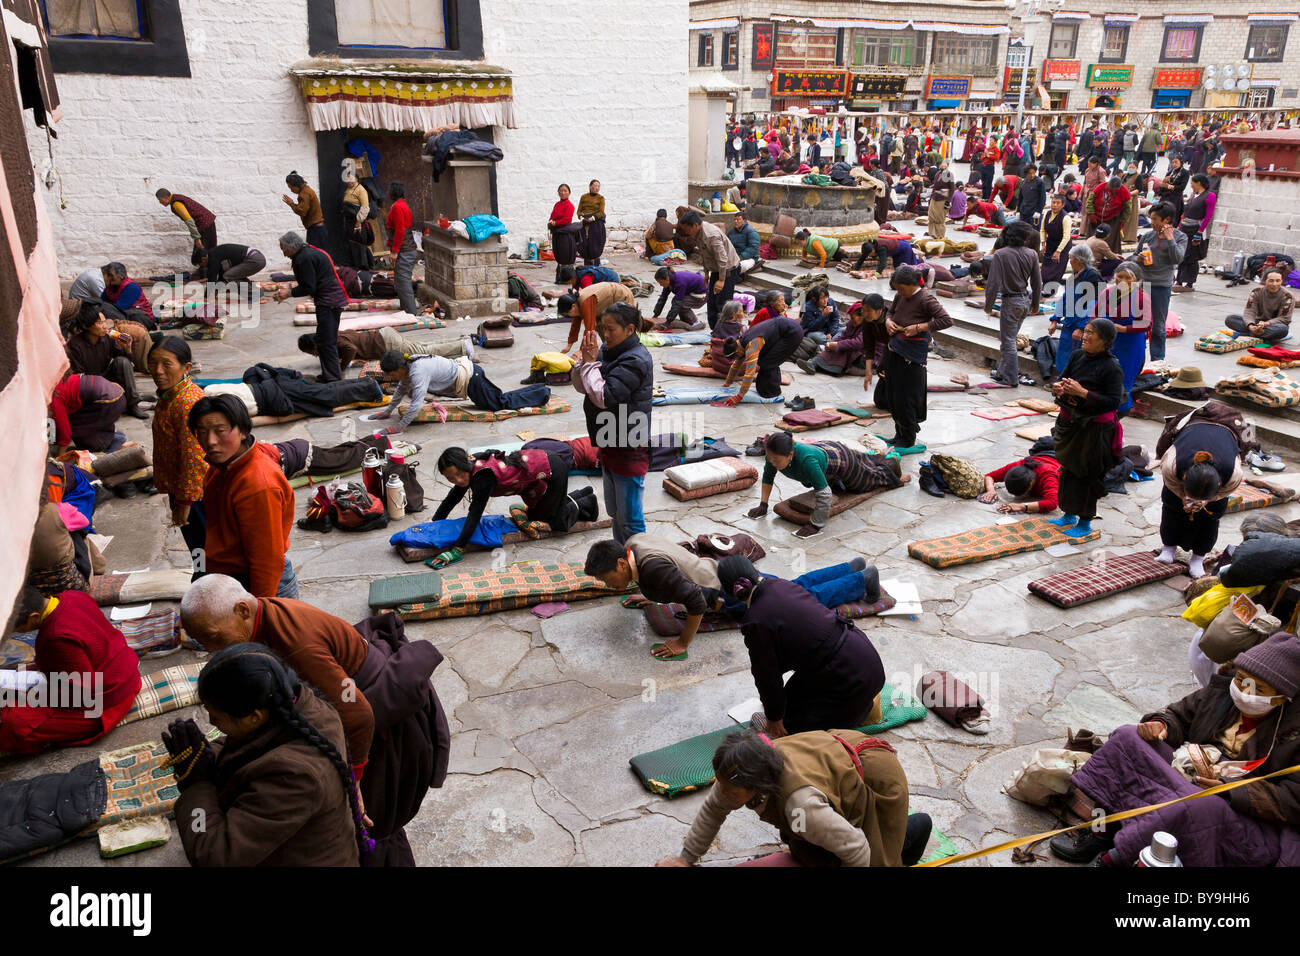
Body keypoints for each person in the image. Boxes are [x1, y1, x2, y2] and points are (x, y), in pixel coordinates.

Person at [179, 574, 448, 866]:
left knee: (370, 822)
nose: (211, 650)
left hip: (372, 717)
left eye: (214, 638)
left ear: (243, 610)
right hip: (350, 703)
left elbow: (356, 711)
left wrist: (353, 781)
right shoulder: (262, 618)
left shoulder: (299, 648)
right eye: (203, 642)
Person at [1051, 633, 1300, 867]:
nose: (1244, 691)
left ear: (1282, 697)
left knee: (1197, 805)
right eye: (1241, 680)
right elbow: (1179, 715)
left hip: (1238, 810)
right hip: (1191, 775)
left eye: (1258, 689)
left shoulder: (1294, 730)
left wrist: (1231, 790)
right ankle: (1100, 831)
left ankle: (1115, 859)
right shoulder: (1221, 693)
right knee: (1127, 738)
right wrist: (1161, 724)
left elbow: (1293, 799)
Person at [167, 644, 367, 867]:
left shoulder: (296, 777)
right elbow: (252, 744)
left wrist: (196, 786)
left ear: (254, 717)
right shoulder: (297, 703)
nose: (212, 723)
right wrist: (205, 753)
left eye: (216, 717)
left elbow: (214, 855)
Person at [658, 727, 930, 868]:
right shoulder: (737, 769)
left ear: (758, 785)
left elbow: (857, 847)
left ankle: (913, 831)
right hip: (833, 765)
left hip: (873, 771)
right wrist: (686, 858)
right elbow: (713, 810)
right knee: (813, 849)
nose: (724, 794)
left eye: (732, 791)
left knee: (877, 858)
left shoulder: (801, 806)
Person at [717, 554, 886, 737]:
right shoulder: (781, 584)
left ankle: (858, 710)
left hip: (850, 678)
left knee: (789, 729)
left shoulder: (755, 621)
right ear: (755, 571)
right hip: (863, 655)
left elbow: (767, 677)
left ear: (728, 592)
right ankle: (859, 707)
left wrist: (774, 720)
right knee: (788, 701)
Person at [0, 586, 142, 755]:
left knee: (13, 722)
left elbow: (80, 694)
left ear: (34, 616)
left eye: (15, 628)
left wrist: (35, 695)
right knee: (19, 679)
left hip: (108, 703)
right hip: (127, 674)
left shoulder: (55, 636)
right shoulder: (73, 596)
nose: (14, 632)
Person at [187, 394, 297, 598]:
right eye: (201, 432)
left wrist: (261, 610)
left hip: (258, 585)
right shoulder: (220, 466)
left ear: (243, 431)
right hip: (231, 579)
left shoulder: (258, 485)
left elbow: (266, 560)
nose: (210, 441)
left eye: (220, 431)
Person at [424, 446, 595, 569]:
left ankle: (587, 503)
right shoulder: (469, 470)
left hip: (552, 469)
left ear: (466, 464)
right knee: (536, 516)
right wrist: (433, 522)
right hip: (536, 472)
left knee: (556, 522)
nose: (459, 481)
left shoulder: (482, 476)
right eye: (452, 479)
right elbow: (453, 497)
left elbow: (474, 514)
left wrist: (457, 549)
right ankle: (581, 493)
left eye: (460, 475)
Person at [571, 302, 652, 544]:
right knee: (615, 513)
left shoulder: (636, 359)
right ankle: (622, 559)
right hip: (609, 440)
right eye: (602, 329)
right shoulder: (608, 350)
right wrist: (583, 363)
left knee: (631, 518)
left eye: (611, 329)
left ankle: (641, 564)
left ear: (629, 330)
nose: (605, 335)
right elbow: (582, 385)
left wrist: (590, 364)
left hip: (629, 444)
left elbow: (605, 397)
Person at [746, 431, 902, 539]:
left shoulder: (807, 461)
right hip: (825, 451)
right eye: (770, 458)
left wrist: (815, 524)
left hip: (841, 460)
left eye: (776, 460)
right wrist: (763, 504)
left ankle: (891, 463)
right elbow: (767, 478)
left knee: (867, 482)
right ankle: (877, 457)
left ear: (791, 454)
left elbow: (825, 494)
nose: (772, 462)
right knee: (852, 474)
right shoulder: (773, 455)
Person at [1049, 319, 1125, 540]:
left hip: (1094, 431)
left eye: (1091, 333)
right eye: (1086, 331)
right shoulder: (1077, 356)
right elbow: (1062, 378)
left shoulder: (1112, 367)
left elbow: (1113, 402)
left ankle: (1085, 521)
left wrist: (1083, 393)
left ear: (1104, 341)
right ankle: (1068, 513)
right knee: (1069, 469)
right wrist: (1059, 387)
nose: (1085, 336)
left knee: (1088, 474)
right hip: (1071, 423)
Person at [872, 266, 952, 453]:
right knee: (893, 395)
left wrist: (919, 327)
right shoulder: (901, 296)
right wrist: (888, 322)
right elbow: (890, 312)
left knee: (905, 397)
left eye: (901, 288)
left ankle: (908, 438)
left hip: (911, 355)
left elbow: (946, 320)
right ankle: (899, 434)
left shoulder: (926, 298)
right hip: (895, 348)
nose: (899, 292)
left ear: (912, 284)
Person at [1155, 414, 1243, 578]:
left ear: (1218, 485)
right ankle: (1168, 549)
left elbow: (1226, 492)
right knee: (1171, 510)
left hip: (1222, 438)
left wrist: (1208, 501)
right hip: (1193, 436)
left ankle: (1197, 559)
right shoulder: (1172, 465)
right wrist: (1182, 496)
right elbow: (1171, 484)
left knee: (1209, 520)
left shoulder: (1232, 473)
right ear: (1185, 478)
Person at [374, 350, 548, 431]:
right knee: (499, 399)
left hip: (472, 378)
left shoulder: (418, 370)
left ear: (398, 369)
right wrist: (388, 411)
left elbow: (417, 402)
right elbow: (400, 390)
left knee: (500, 404)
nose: (394, 377)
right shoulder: (408, 366)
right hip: (471, 376)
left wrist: (400, 426)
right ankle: (539, 389)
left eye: (392, 374)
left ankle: (541, 393)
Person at [149, 337, 208, 559]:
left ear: (187, 368)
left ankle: (207, 580)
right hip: (183, 489)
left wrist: (185, 502)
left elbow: (194, 458)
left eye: (166, 364)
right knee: (197, 545)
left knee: (202, 545)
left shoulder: (186, 403)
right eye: (153, 363)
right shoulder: (169, 396)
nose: (158, 371)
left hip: (195, 493)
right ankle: (203, 578)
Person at [272, 232, 349, 383]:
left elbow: (309, 287)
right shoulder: (308, 251)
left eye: (285, 250)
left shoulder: (303, 259)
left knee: (327, 341)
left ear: (293, 247)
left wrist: (289, 293)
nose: (284, 254)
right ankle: (330, 375)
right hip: (332, 299)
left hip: (329, 301)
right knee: (324, 340)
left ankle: (333, 378)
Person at [983, 221, 1042, 387]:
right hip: (1024, 300)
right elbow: (1038, 284)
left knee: (1008, 341)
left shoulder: (1001, 254)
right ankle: (1002, 372)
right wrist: (1035, 303)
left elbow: (993, 284)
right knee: (1009, 339)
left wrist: (988, 306)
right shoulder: (1032, 254)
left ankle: (1011, 378)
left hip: (1011, 301)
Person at [64, 303, 149, 419]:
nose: (105, 326)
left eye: (104, 322)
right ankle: (133, 398)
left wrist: (127, 348)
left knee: (122, 362)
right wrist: (105, 385)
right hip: (89, 385)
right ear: (85, 326)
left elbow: (126, 363)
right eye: (99, 323)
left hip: (105, 377)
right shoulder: (75, 346)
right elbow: (79, 377)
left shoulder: (106, 338)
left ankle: (133, 403)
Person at [1131, 201, 1186, 362]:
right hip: (1143, 283)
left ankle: (1158, 360)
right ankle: (1136, 355)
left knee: (1158, 326)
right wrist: (1138, 258)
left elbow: (1178, 258)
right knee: (1138, 322)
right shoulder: (1148, 236)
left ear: (1166, 220)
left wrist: (1170, 240)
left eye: (1155, 219)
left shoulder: (1180, 237)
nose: (1152, 222)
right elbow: (1134, 255)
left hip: (1161, 286)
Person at [676, 209, 740, 331]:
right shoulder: (698, 233)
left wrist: (721, 280)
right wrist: (706, 273)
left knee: (722, 304)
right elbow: (705, 255)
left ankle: (725, 332)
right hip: (716, 269)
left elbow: (722, 259)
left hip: (728, 270)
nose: (686, 232)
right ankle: (715, 331)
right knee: (711, 302)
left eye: (687, 229)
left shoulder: (711, 235)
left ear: (695, 225)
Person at [719, 313, 804, 405]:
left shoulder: (752, 345)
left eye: (735, 357)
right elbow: (736, 365)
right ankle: (768, 389)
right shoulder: (740, 343)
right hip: (784, 328)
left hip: (792, 333)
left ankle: (773, 392)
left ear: (737, 352)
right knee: (764, 360)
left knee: (768, 362)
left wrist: (739, 396)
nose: (737, 359)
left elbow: (750, 373)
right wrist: (727, 383)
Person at [300, 325, 471, 369]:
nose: (314, 355)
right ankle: (460, 342)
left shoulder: (333, 343)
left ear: (314, 346)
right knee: (423, 347)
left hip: (386, 343)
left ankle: (462, 345)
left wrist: (341, 366)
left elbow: (351, 349)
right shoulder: (333, 335)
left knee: (424, 352)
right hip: (383, 336)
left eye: (311, 352)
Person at [1049, 245, 1101, 377]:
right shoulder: (1075, 275)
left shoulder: (1092, 276)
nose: (1069, 260)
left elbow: (1094, 304)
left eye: (1070, 258)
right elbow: (1065, 298)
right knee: (1064, 353)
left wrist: (1082, 327)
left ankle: (1073, 383)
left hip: (1081, 323)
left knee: (1078, 356)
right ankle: (1062, 380)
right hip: (1069, 323)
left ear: (1077, 259)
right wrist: (1055, 319)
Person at [799, 296, 881, 376]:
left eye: (853, 318)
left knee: (844, 348)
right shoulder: (809, 307)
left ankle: (817, 364)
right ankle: (814, 363)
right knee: (837, 345)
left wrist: (837, 343)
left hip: (867, 358)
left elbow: (858, 343)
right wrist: (833, 343)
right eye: (851, 318)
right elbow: (843, 335)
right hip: (827, 334)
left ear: (862, 317)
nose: (851, 320)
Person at [48, 373, 126, 453]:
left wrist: (59, 457)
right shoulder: (56, 380)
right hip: (115, 394)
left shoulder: (54, 398)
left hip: (109, 402)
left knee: (74, 428)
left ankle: (112, 441)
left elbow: (65, 431)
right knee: (80, 422)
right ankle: (111, 436)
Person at [557, 280, 635, 355]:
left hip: (621, 295)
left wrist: (581, 352)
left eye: (568, 313)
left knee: (620, 327)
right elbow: (575, 325)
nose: (570, 316)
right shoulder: (576, 303)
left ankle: (627, 351)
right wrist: (568, 346)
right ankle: (611, 350)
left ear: (573, 306)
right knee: (601, 326)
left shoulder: (586, 302)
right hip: (606, 302)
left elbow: (589, 330)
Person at [1173, 174, 1216, 293]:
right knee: (1182, 254)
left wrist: (1200, 232)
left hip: (1196, 229)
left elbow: (1208, 216)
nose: (1191, 185)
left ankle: (1189, 283)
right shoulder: (1194, 195)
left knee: (1192, 256)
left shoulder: (1210, 196)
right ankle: (1179, 280)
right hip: (1184, 228)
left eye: (1192, 183)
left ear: (1199, 183)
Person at [1227, 268, 1294, 344]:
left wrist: (1266, 324)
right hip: (1256, 324)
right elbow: (1249, 311)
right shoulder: (1256, 292)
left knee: (1283, 329)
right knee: (1230, 319)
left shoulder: (1288, 296)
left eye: (1278, 281)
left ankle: (1247, 334)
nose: (1274, 284)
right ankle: (1260, 335)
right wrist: (1250, 325)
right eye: (1271, 281)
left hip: (1273, 326)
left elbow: (1284, 318)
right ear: (1265, 281)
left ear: (1281, 281)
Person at [979, 453, 1060, 515]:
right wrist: (991, 490)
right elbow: (990, 476)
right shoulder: (1018, 466)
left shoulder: (1048, 475)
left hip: (1055, 460)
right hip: (1043, 456)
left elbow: (1052, 503)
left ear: (1031, 483)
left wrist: (1022, 506)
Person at [385, 182, 420, 315]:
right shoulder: (402, 205)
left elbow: (400, 231)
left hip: (405, 250)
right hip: (406, 249)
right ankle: (406, 311)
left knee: (403, 283)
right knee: (401, 281)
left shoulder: (398, 207)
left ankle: (411, 313)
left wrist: (394, 251)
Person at [155, 188, 216, 253]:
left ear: (166, 197)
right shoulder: (176, 197)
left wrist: (197, 238)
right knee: (206, 251)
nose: (160, 202)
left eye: (160, 200)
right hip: (207, 223)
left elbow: (189, 221)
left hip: (205, 225)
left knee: (204, 253)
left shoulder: (176, 204)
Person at [99, 262, 156, 328]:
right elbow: (101, 301)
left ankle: (141, 334)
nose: (109, 278)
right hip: (125, 315)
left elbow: (118, 309)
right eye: (108, 275)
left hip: (142, 318)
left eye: (111, 275)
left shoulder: (131, 287)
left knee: (106, 309)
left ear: (121, 276)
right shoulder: (110, 287)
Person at [651, 266, 708, 330]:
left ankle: (695, 323)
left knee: (680, 303)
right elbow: (662, 298)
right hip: (692, 292)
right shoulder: (670, 280)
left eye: (661, 282)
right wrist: (655, 315)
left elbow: (677, 303)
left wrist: (668, 322)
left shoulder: (680, 283)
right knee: (678, 302)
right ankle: (686, 321)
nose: (660, 285)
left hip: (703, 295)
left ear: (667, 278)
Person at [1086, 177, 1131, 256]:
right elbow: (1090, 201)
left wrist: (1123, 221)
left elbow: (1128, 209)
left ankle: (1111, 257)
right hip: (1096, 217)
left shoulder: (1124, 192)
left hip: (1113, 219)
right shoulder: (1101, 187)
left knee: (1110, 240)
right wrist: (1091, 214)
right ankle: (1089, 256)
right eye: (1111, 188)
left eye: (1115, 189)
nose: (1113, 191)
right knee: (1093, 238)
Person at [282, 171, 327, 249]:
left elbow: (302, 211)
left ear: (296, 185)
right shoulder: (307, 190)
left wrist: (291, 204)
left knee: (316, 255)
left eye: (291, 187)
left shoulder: (304, 194)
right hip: (318, 229)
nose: (291, 190)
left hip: (316, 231)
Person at [341, 164, 374, 269]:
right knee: (351, 244)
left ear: (356, 178)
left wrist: (358, 222)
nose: (349, 180)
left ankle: (363, 267)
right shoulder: (347, 189)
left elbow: (365, 208)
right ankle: (354, 267)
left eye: (351, 178)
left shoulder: (361, 190)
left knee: (359, 244)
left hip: (357, 223)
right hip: (349, 221)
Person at [1039, 193, 1075, 286]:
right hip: (1050, 243)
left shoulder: (1065, 217)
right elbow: (1042, 230)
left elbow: (1066, 236)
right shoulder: (1047, 213)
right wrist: (1043, 244)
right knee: (1046, 267)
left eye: (1058, 203)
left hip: (1063, 245)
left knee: (1056, 270)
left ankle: (1051, 289)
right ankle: (1045, 286)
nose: (1054, 205)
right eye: (1053, 202)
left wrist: (1058, 251)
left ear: (1063, 205)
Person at [193, 243, 267, 288]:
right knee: (232, 275)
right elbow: (220, 276)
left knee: (228, 276)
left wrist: (206, 297)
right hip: (257, 257)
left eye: (200, 264)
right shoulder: (215, 254)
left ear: (203, 259)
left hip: (254, 260)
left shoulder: (213, 257)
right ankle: (253, 290)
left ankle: (254, 294)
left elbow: (212, 278)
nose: (201, 266)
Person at [548, 183, 580, 282]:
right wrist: (550, 222)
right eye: (561, 191)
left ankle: (567, 278)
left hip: (565, 234)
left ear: (569, 193)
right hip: (557, 233)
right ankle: (559, 277)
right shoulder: (557, 204)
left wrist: (555, 223)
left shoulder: (570, 205)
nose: (563, 192)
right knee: (558, 254)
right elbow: (552, 215)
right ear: (558, 193)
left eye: (565, 191)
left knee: (565, 255)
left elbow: (566, 220)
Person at [853, 234, 921, 275]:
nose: (869, 256)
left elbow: (883, 263)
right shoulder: (869, 247)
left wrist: (877, 274)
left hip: (904, 248)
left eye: (870, 254)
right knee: (897, 268)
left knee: (908, 268)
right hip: (896, 250)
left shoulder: (881, 248)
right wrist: (855, 269)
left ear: (873, 250)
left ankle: (921, 262)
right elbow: (862, 258)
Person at [577, 179, 606, 266]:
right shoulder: (583, 197)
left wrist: (592, 218)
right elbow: (579, 211)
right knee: (585, 244)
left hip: (595, 222)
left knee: (595, 243)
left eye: (598, 186)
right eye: (595, 185)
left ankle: (596, 265)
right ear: (590, 187)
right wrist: (582, 218)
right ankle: (587, 265)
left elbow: (601, 212)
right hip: (584, 222)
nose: (596, 188)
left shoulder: (601, 198)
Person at [1077, 156, 1106, 236]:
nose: (1089, 165)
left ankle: (1090, 231)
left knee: (1091, 212)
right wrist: (1081, 193)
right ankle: (1083, 231)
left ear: (1096, 163)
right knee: (1084, 212)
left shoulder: (1101, 171)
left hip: (1094, 194)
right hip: (1086, 193)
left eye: (1090, 164)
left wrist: (1098, 195)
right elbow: (1084, 182)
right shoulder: (1087, 170)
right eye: (1088, 164)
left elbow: (1102, 184)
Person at [1156, 155, 1189, 223]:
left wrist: (1168, 186)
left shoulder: (1185, 172)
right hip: (1165, 197)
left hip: (1175, 198)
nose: (1174, 164)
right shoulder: (1170, 172)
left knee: (1172, 218)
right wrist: (1163, 183)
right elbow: (1163, 186)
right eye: (1172, 162)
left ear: (1181, 162)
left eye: (1176, 162)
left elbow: (1182, 187)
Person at [928, 167, 955, 240]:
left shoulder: (949, 174)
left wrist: (948, 201)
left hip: (943, 198)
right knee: (931, 217)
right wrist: (930, 198)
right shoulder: (937, 173)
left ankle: (940, 236)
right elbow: (934, 187)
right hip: (935, 197)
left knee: (940, 219)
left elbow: (952, 189)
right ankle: (932, 233)